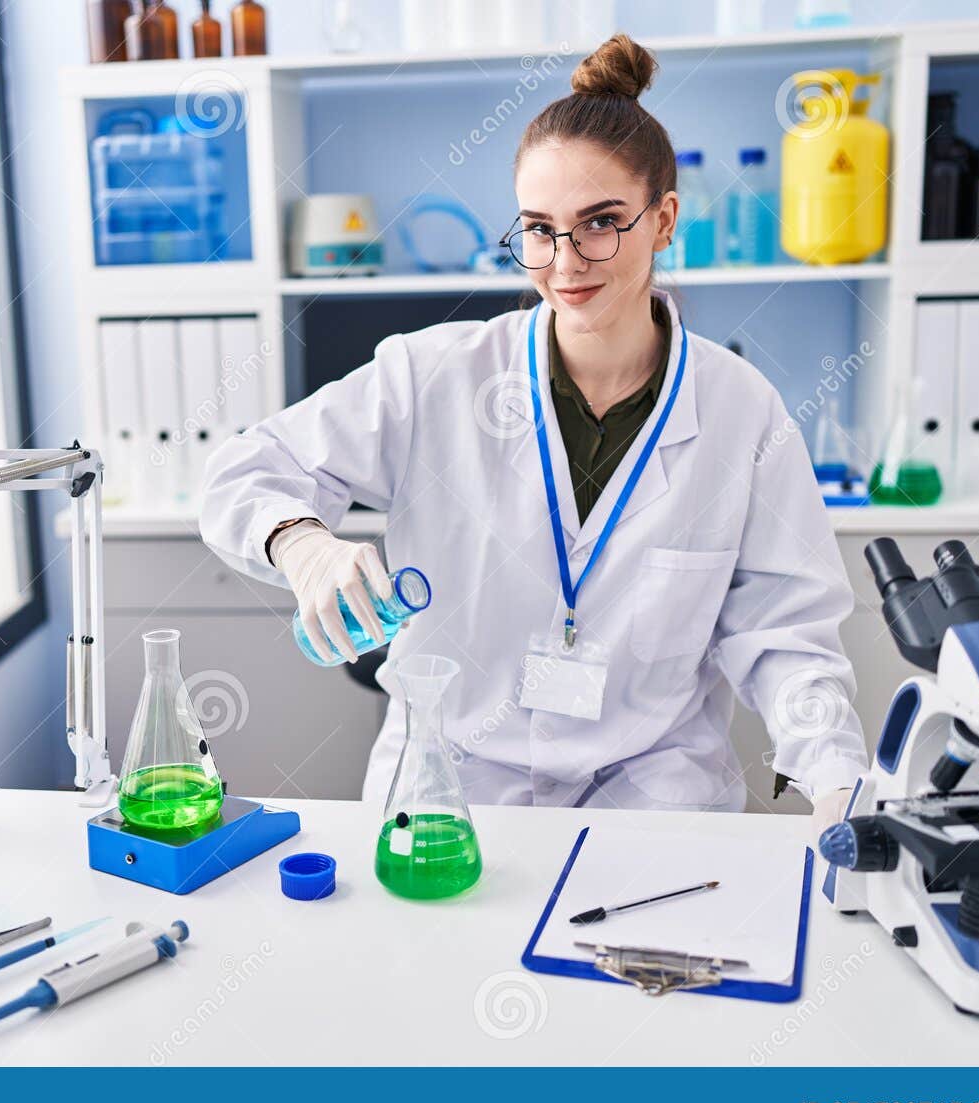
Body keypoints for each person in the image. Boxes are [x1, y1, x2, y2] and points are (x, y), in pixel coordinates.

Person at [200, 34, 863, 830]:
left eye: (601, 222)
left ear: (664, 221)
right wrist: (303, 544)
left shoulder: (741, 411)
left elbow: (788, 638)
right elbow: (241, 473)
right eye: (539, 229)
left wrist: (836, 781)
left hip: (655, 799)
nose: (565, 260)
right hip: (453, 792)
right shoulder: (435, 374)